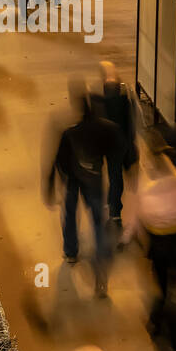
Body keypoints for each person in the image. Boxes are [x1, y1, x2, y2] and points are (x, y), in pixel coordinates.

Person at [48, 77, 122, 297]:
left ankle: (71, 251)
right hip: (94, 180)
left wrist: (51, 182)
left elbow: (58, 159)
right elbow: (117, 145)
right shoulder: (103, 127)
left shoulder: (69, 130)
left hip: (73, 180)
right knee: (97, 222)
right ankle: (100, 270)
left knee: (70, 213)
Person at [128, 148, 176, 331]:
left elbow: (137, 220)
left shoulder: (145, 191)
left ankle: (157, 320)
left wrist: (134, 236)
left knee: (160, 280)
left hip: (157, 243)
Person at [90, 62, 138, 225]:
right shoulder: (125, 92)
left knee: (101, 173)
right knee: (115, 177)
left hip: (101, 141)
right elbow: (131, 121)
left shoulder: (96, 93)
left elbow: (92, 118)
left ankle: (105, 203)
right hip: (118, 142)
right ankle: (115, 211)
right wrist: (130, 142)